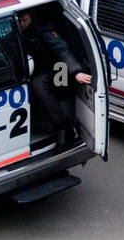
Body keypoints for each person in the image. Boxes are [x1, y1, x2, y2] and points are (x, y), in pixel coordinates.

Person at [18, 9, 92, 151]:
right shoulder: (17, 29)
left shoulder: (43, 29)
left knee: (40, 86)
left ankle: (64, 127)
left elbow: (61, 49)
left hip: (57, 68)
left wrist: (76, 71)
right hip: (33, 69)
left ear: (31, 17)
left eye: (24, 20)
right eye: (19, 20)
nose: (22, 24)